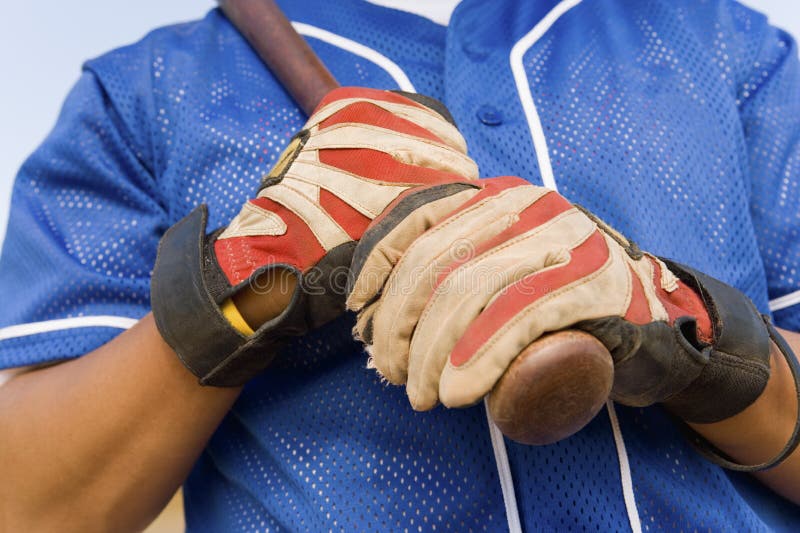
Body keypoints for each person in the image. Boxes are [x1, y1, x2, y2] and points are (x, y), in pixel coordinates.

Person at [1, 0, 799, 531]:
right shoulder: (146, 92)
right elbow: (30, 505)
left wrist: (686, 327)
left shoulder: (720, 42)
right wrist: (244, 281)